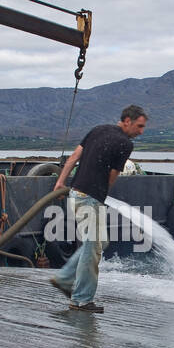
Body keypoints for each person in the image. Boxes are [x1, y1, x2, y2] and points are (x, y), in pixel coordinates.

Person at [48, 105, 148, 312]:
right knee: (92, 249)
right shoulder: (124, 144)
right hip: (89, 198)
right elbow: (112, 176)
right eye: (139, 126)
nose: (141, 131)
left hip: (77, 193)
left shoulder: (98, 129)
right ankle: (81, 300)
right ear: (127, 121)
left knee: (99, 242)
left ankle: (65, 277)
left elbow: (74, 157)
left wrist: (60, 182)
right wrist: (100, 195)